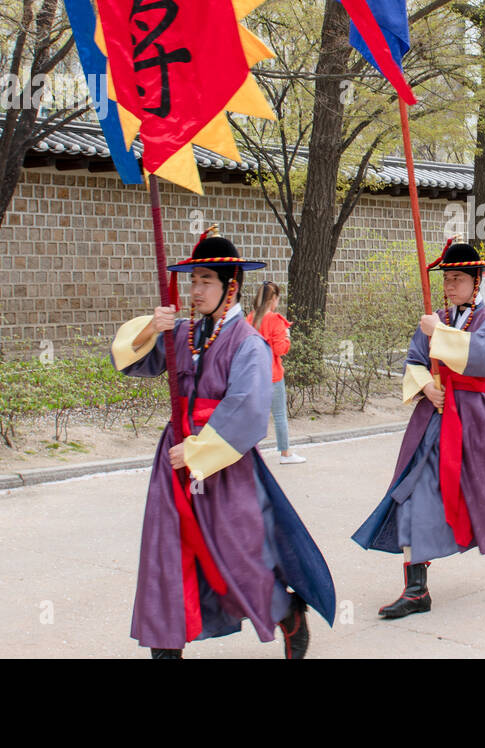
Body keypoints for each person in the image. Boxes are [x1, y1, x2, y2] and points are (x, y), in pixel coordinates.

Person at [111, 229, 335, 659]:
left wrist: (197, 452)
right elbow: (133, 363)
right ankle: (165, 647)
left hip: (223, 465)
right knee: (166, 553)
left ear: (230, 287)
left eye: (205, 282)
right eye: (193, 281)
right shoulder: (181, 334)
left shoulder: (247, 343)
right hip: (173, 462)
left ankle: (285, 610)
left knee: (238, 555)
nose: (195, 291)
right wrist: (150, 330)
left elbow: (249, 411)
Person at [353, 243, 485, 619]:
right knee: (414, 494)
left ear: (476, 283)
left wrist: (438, 333)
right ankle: (416, 588)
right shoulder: (435, 318)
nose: (450, 285)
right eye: (447, 278)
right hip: (432, 421)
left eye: (458, 278)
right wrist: (426, 386)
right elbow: (414, 361)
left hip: (476, 421)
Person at [246, 281, 303, 464]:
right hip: (272, 374)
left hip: (253, 375)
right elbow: (280, 349)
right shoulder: (275, 320)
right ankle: (285, 453)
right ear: (273, 299)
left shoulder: (250, 319)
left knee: (252, 416)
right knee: (279, 415)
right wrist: (287, 336)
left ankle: (250, 454)